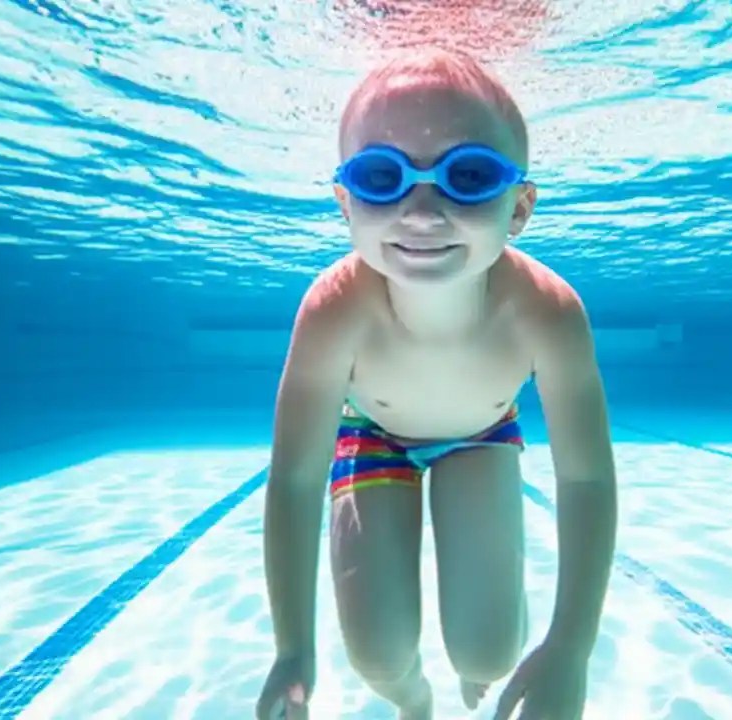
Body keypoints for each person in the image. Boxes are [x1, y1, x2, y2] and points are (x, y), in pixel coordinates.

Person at [256, 47, 617, 720]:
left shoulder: (549, 310)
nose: (422, 212)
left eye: (469, 175)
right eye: (380, 177)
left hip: (481, 436)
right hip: (373, 436)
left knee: (488, 655)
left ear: (519, 208)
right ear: (345, 204)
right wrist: (292, 649)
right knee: (378, 658)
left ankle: (491, 625)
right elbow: (296, 479)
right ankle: (414, 703)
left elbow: (588, 479)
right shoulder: (332, 309)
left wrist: (571, 645)